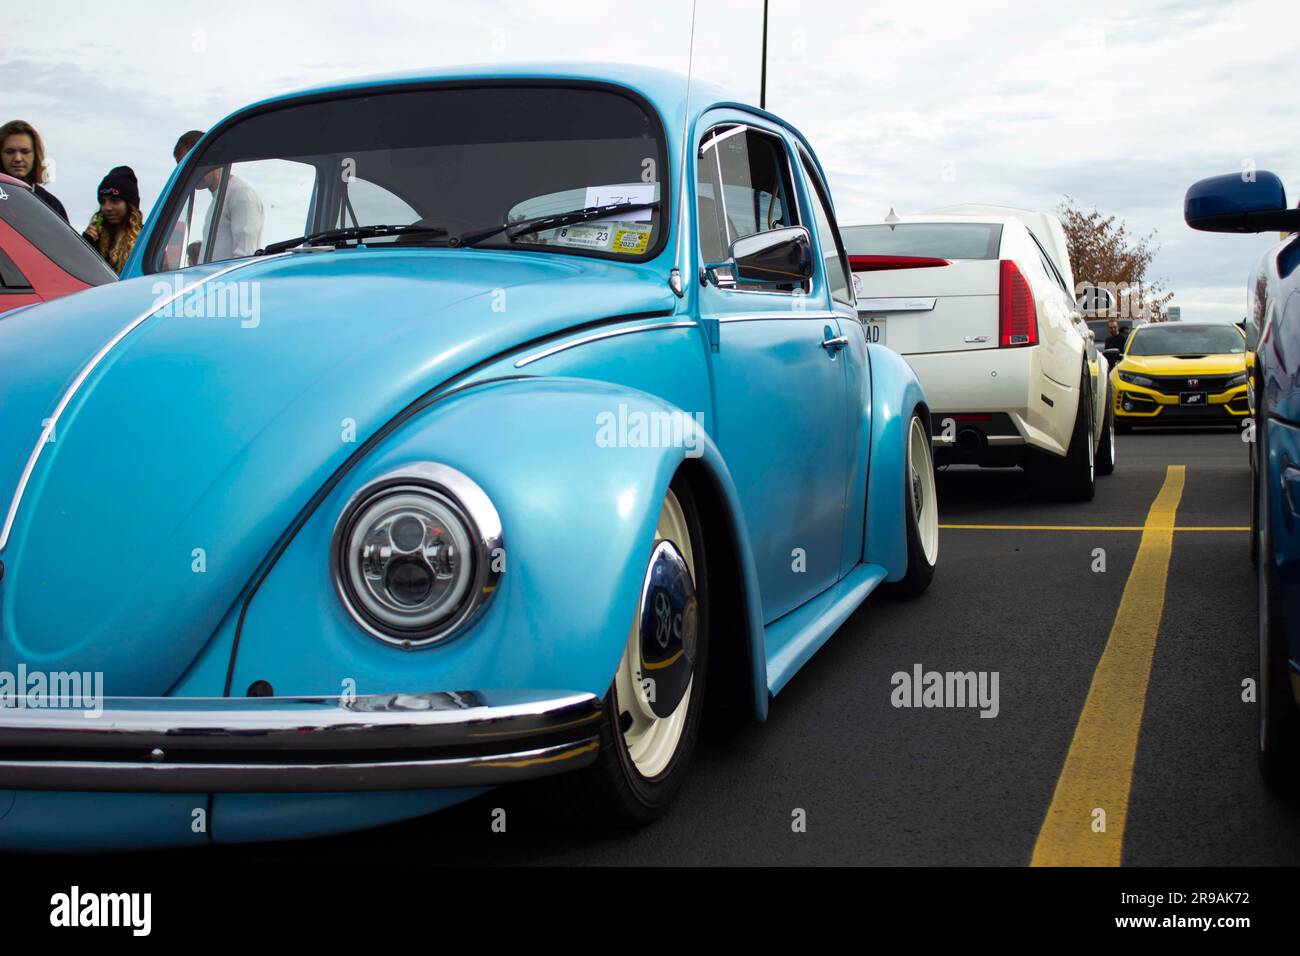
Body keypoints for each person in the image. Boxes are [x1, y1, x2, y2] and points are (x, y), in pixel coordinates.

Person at [0, 119, 69, 222]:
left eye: (25, 152)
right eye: (10, 152)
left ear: (35, 155)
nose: (18, 158)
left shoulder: (51, 205)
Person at [196, 164, 263, 262]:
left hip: (229, 277)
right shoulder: (219, 197)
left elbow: (245, 257)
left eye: (196, 165)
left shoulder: (240, 192)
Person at [83, 166, 142, 275]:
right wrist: (87, 243)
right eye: (103, 202)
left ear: (130, 205)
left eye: (114, 201)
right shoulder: (97, 237)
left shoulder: (145, 239)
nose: (107, 208)